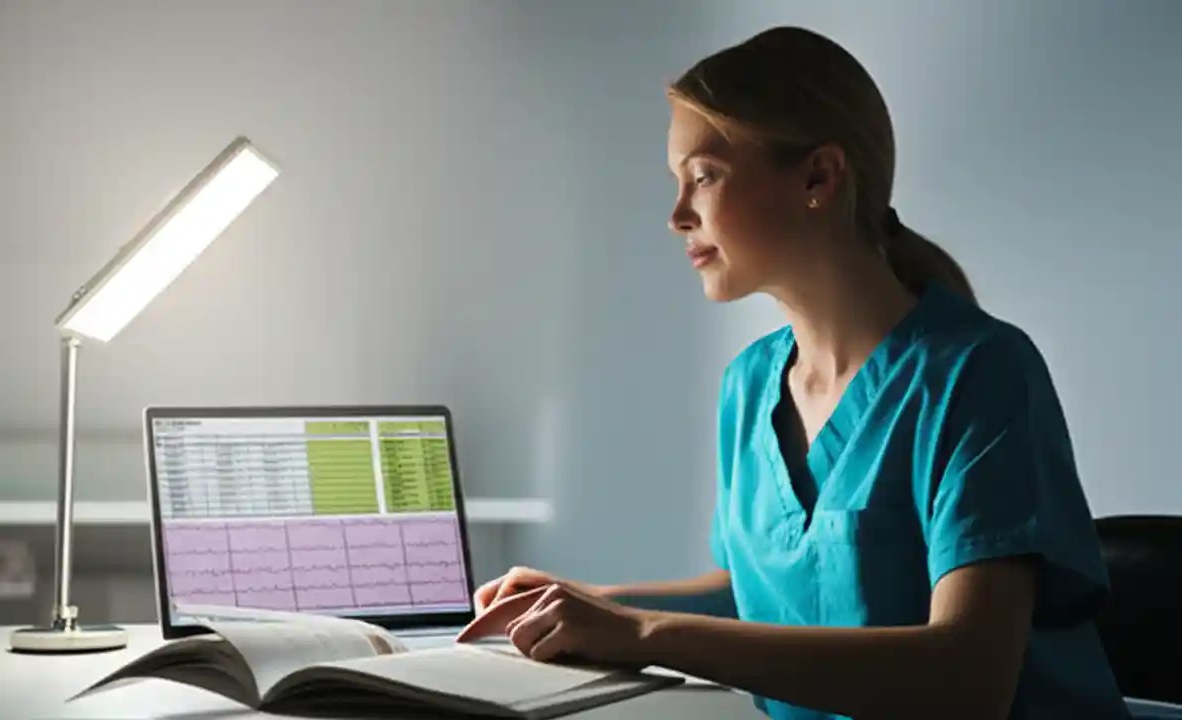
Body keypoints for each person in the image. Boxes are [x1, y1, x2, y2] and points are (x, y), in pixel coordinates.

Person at [473, 26, 1130, 720]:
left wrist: (642, 633)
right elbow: (757, 597)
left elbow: (969, 679)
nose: (676, 215)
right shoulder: (750, 384)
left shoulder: (979, 373)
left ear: (817, 177)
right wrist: (588, 605)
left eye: (703, 176)